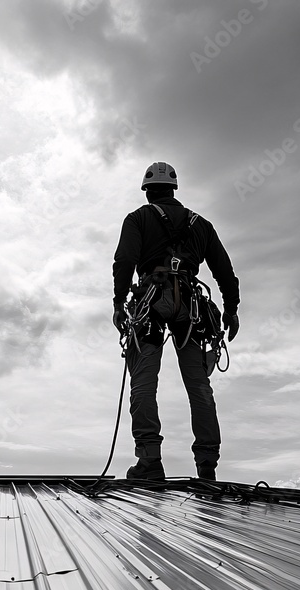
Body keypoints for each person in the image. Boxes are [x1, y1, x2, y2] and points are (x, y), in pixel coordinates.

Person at [112, 161, 240, 481]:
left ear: (147, 191)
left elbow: (125, 260)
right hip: (190, 305)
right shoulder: (202, 225)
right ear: (174, 189)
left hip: (151, 302)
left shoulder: (138, 219)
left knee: (144, 382)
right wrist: (231, 309)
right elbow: (224, 270)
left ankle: (149, 461)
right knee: (198, 385)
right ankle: (207, 464)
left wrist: (118, 303)